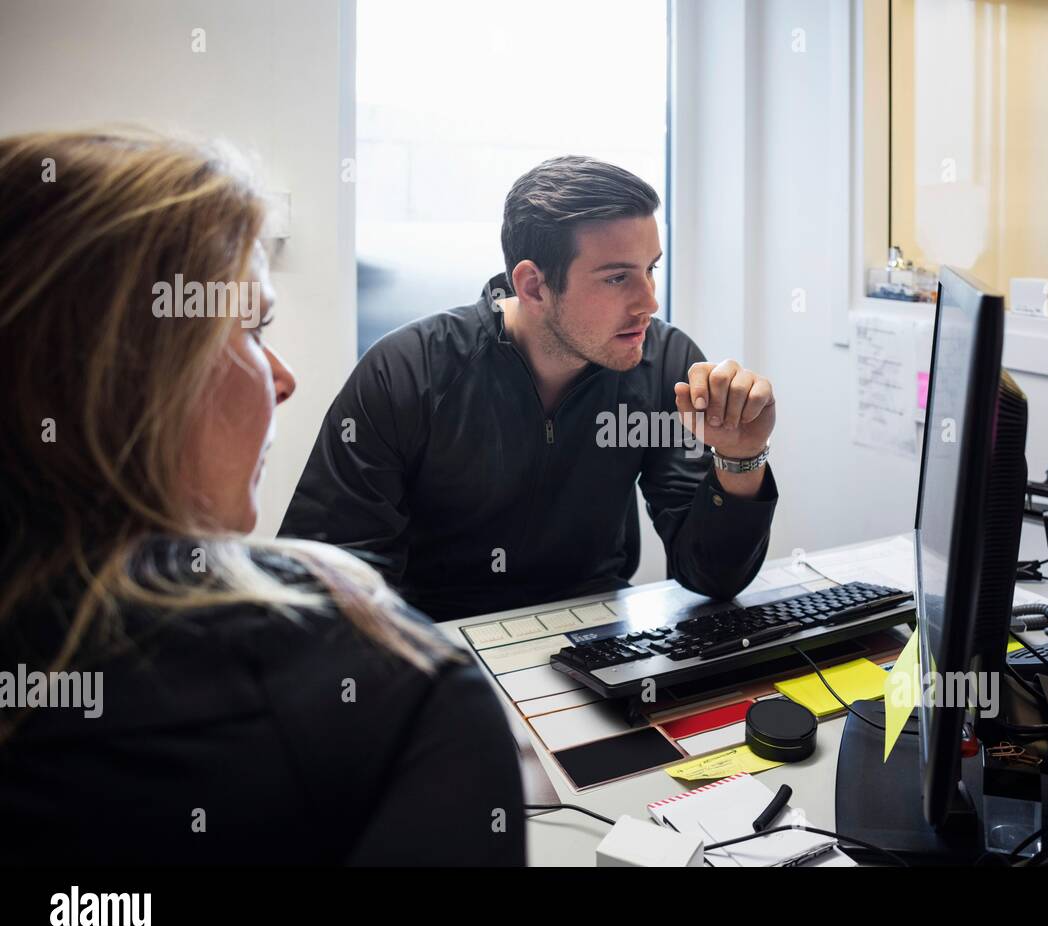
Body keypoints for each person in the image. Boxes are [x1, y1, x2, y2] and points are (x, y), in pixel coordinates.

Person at [0, 130, 524, 865]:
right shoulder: (400, 693)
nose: (283, 380)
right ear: (119, 377)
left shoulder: (669, 366)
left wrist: (737, 466)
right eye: (251, 328)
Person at [281, 156, 779, 621]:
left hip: (598, 636)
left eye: (651, 269)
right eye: (616, 279)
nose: (648, 301)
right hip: (438, 638)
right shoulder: (408, 371)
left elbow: (711, 579)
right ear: (534, 285)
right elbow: (327, 583)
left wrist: (740, 461)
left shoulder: (666, 363)